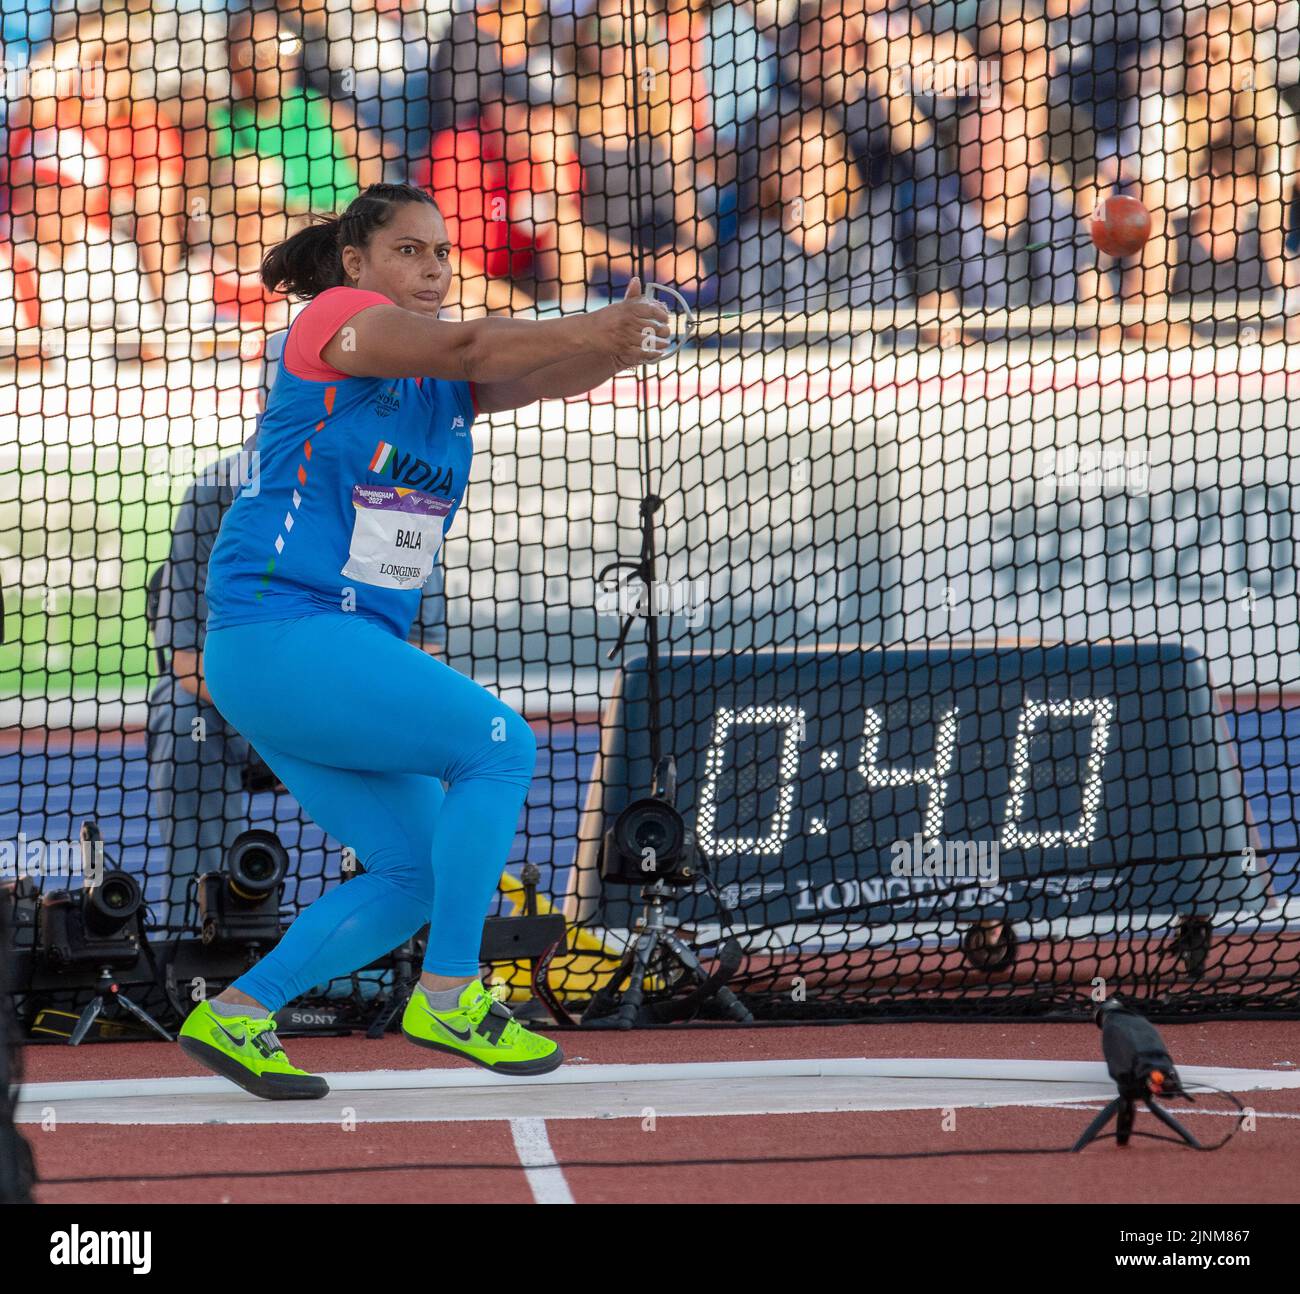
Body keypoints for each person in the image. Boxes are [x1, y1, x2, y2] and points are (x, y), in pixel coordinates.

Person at [177, 181, 670, 1099]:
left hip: (321, 653)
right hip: (281, 628)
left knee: (412, 872)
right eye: (411, 250)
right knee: (500, 745)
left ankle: (238, 1013)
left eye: (443, 253)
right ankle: (449, 992)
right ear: (359, 263)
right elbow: (479, 341)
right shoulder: (337, 318)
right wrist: (597, 319)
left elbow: (536, 371)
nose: (434, 267)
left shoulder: (441, 384)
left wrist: (615, 350)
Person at [147, 335, 453, 935]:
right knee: (184, 721)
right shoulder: (217, 491)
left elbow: (427, 652)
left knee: (441, 725)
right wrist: (288, 703)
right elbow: (186, 660)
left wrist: (333, 704)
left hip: (356, 708)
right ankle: (203, 931)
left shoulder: (396, 492)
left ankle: (400, 933)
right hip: (236, 708)